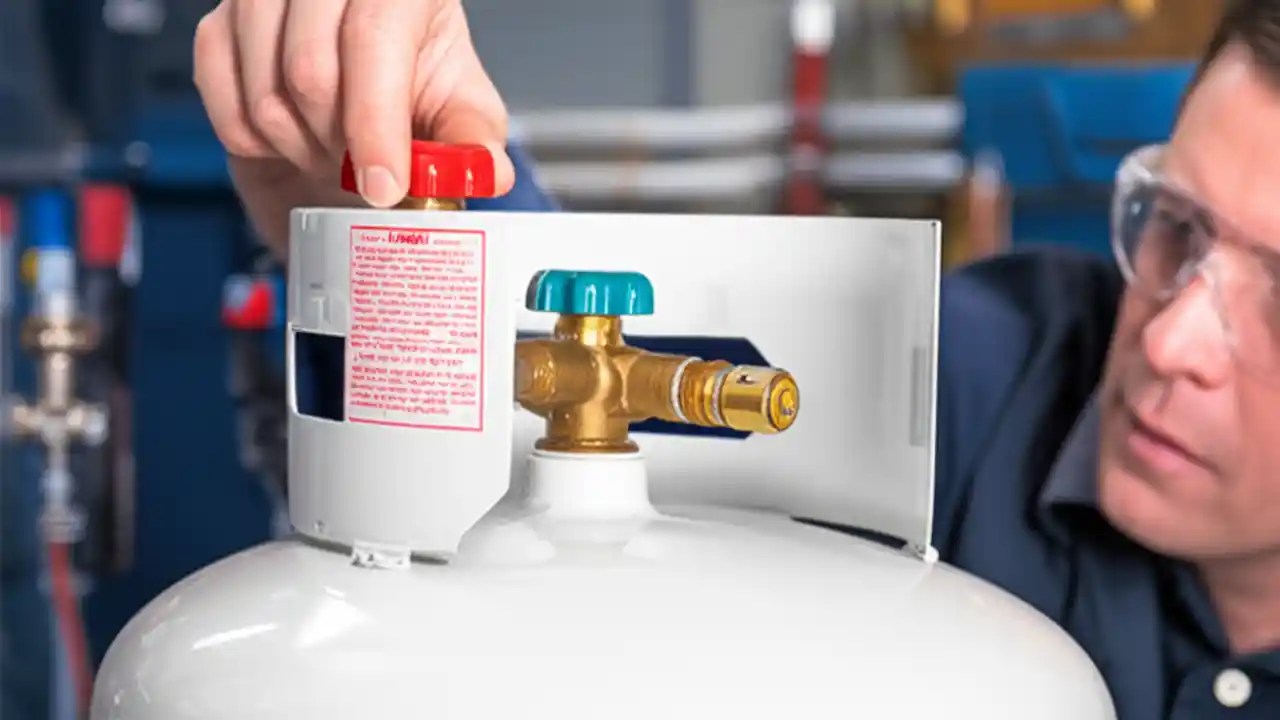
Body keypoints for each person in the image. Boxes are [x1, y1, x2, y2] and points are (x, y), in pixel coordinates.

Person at [194, 0, 1280, 717]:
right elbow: (594, 382)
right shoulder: (965, 378)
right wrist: (369, 158)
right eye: (1174, 227)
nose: (1174, 341)